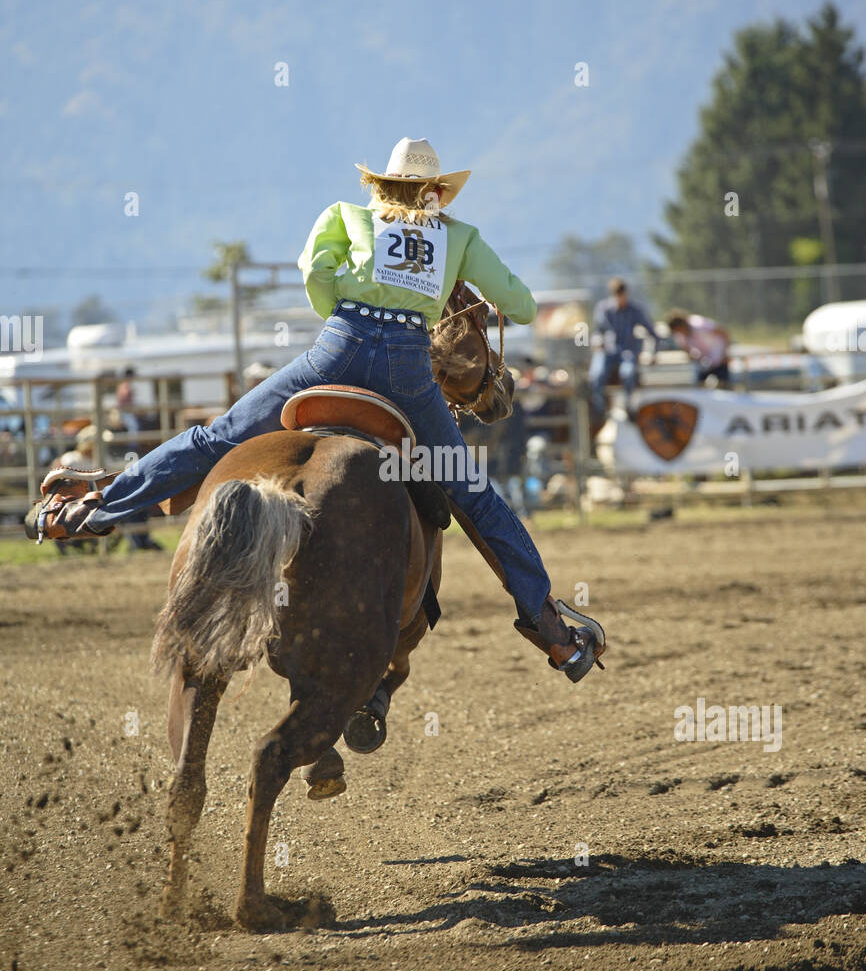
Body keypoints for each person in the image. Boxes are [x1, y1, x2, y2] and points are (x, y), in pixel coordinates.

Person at [25, 137, 605, 683]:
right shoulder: (460, 237)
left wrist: (342, 319)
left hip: (338, 348)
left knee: (218, 438)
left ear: (382, 187)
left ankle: (95, 510)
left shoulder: (345, 217)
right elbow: (522, 306)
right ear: (436, 193)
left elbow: (314, 272)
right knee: (475, 496)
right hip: (408, 367)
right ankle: (554, 633)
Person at [589, 277, 658, 418]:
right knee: (596, 376)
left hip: (627, 351)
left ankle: (628, 406)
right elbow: (597, 331)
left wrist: (652, 354)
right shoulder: (604, 309)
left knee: (628, 373)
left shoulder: (635, 310)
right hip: (607, 351)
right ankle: (600, 409)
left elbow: (653, 333)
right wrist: (597, 342)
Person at [667, 310, 730, 386]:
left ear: (680, 326)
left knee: (724, 384)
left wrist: (724, 353)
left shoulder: (698, 323)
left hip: (719, 358)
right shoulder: (681, 335)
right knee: (699, 384)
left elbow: (723, 332)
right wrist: (694, 357)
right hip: (705, 362)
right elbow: (685, 348)